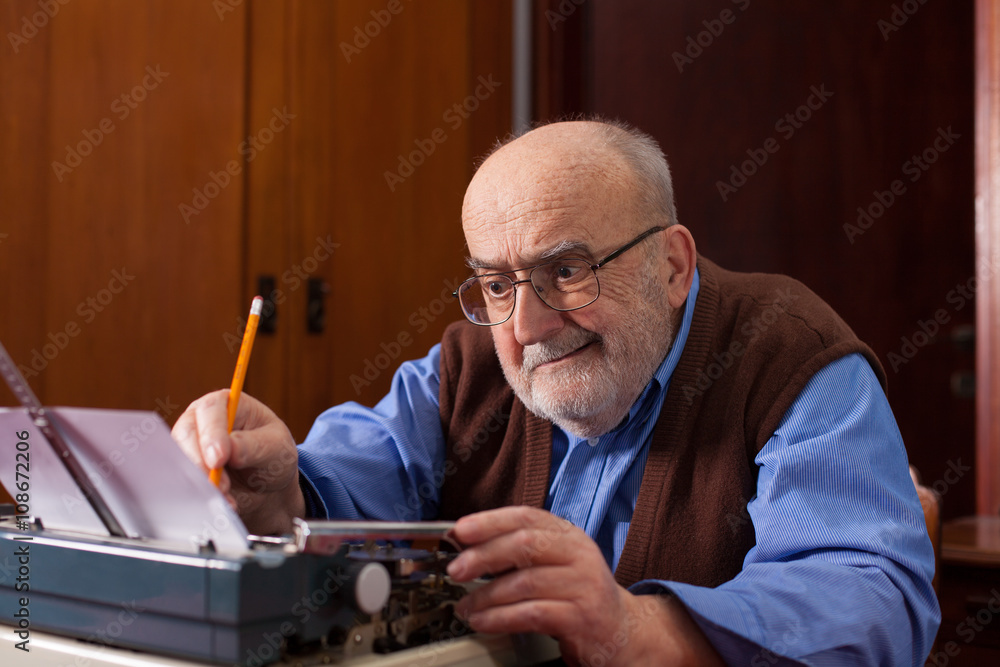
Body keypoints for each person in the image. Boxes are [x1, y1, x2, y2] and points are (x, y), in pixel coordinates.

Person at [173, 119, 940, 665]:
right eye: (497, 283)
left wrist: (635, 629)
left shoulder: (789, 354)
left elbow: (874, 601)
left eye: (566, 271)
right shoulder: (468, 368)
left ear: (672, 266)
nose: (527, 324)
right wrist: (275, 492)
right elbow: (347, 483)